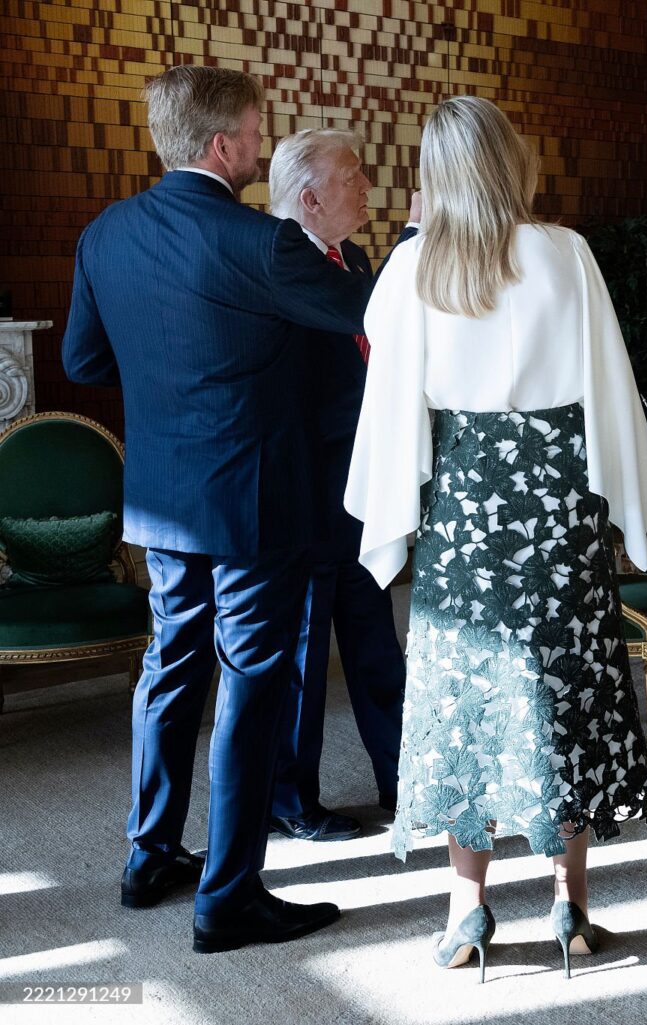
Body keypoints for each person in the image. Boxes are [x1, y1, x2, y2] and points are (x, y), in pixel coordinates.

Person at [343, 95, 647, 982]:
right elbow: (611, 383)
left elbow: (382, 377)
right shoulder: (568, 253)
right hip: (559, 514)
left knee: (461, 704)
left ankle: (466, 910)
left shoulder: (414, 270)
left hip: (470, 521)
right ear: (511, 162)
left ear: (434, 177)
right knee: (566, 694)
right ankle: (571, 902)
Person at [62, 66, 374, 953]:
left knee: (171, 669)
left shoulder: (104, 234)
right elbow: (369, 316)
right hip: (253, 502)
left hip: (161, 502)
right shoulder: (261, 243)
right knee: (251, 683)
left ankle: (150, 853)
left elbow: (85, 361)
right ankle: (229, 896)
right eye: (253, 129)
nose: (259, 140)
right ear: (220, 145)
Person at [264, 128, 412, 842]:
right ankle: (293, 801)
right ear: (311, 195)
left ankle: (405, 778)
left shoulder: (350, 256)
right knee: (302, 651)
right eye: (352, 176)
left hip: (357, 487)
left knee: (374, 637)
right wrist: (416, 238)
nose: (366, 188)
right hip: (302, 489)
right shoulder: (279, 258)